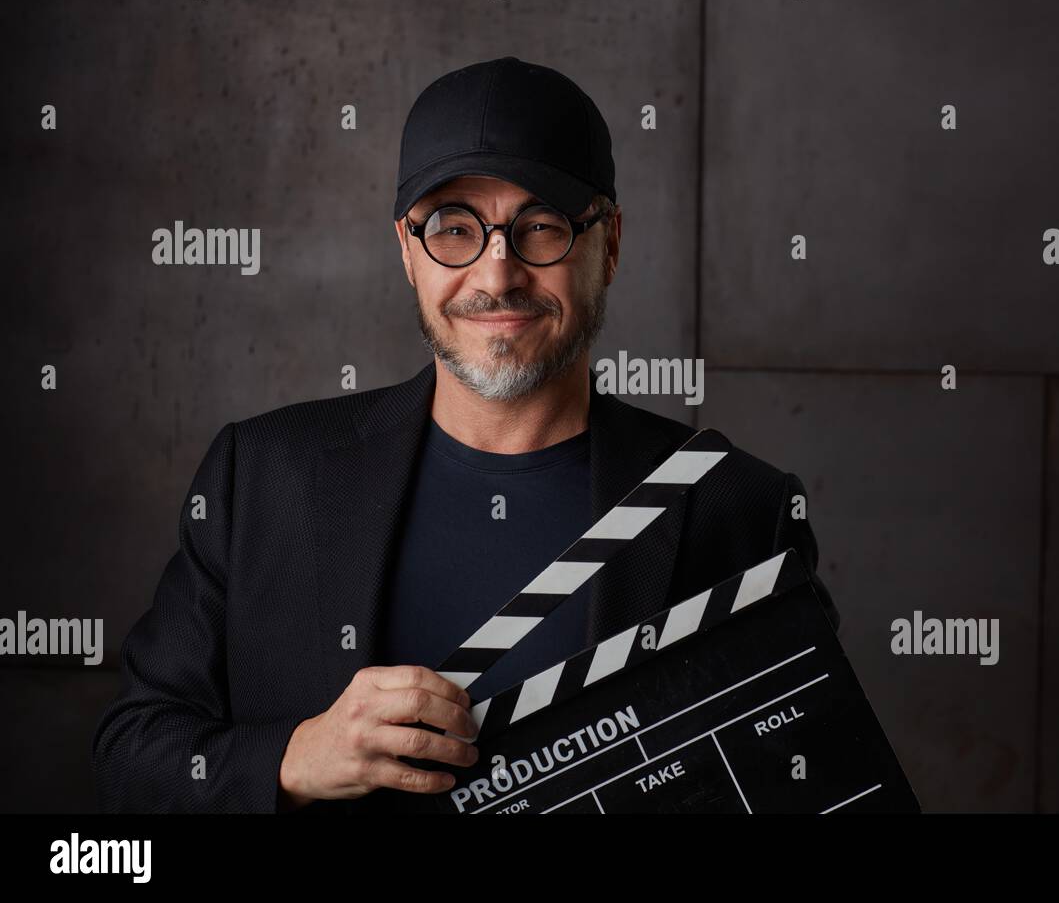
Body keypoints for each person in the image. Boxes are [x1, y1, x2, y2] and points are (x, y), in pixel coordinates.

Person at [92, 56, 840, 813]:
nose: (498, 273)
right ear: (407, 249)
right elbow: (133, 755)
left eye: (540, 225)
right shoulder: (259, 479)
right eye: (455, 228)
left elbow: (814, 787)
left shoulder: (736, 509)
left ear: (609, 244)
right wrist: (296, 757)